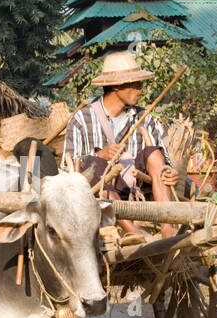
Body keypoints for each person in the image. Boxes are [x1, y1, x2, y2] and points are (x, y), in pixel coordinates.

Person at [63, 50, 181, 239]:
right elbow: (68, 167)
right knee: (95, 163)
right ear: (117, 86)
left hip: (137, 185)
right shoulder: (81, 119)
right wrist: (101, 155)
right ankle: (133, 232)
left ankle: (167, 225)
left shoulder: (144, 117)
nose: (140, 91)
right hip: (101, 191)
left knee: (154, 153)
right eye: (135, 85)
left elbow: (164, 159)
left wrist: (169, 171)